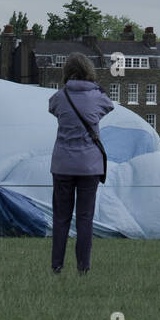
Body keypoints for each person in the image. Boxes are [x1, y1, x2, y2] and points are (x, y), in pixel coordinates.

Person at [49, 52, 114, 276]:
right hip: (89, 165)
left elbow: (52, 108)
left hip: (62, 164)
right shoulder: (97, 96)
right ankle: (83, 268)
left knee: (60, 218)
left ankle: (57, 266)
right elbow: (109, 106)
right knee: (85, 219)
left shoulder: (60, 96)